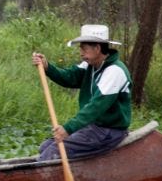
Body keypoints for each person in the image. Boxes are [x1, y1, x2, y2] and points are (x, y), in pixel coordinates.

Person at [31, 24, 131, 160]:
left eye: (84, 49)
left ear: (97, 48)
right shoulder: (90, 66)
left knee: (55, 150)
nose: (81, 53)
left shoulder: (115, 71)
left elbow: (96, 107)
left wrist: (68, 129)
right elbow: (69, 77)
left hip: (109, 131)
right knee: (45, 147)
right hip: (93, 127)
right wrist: (47, 67)